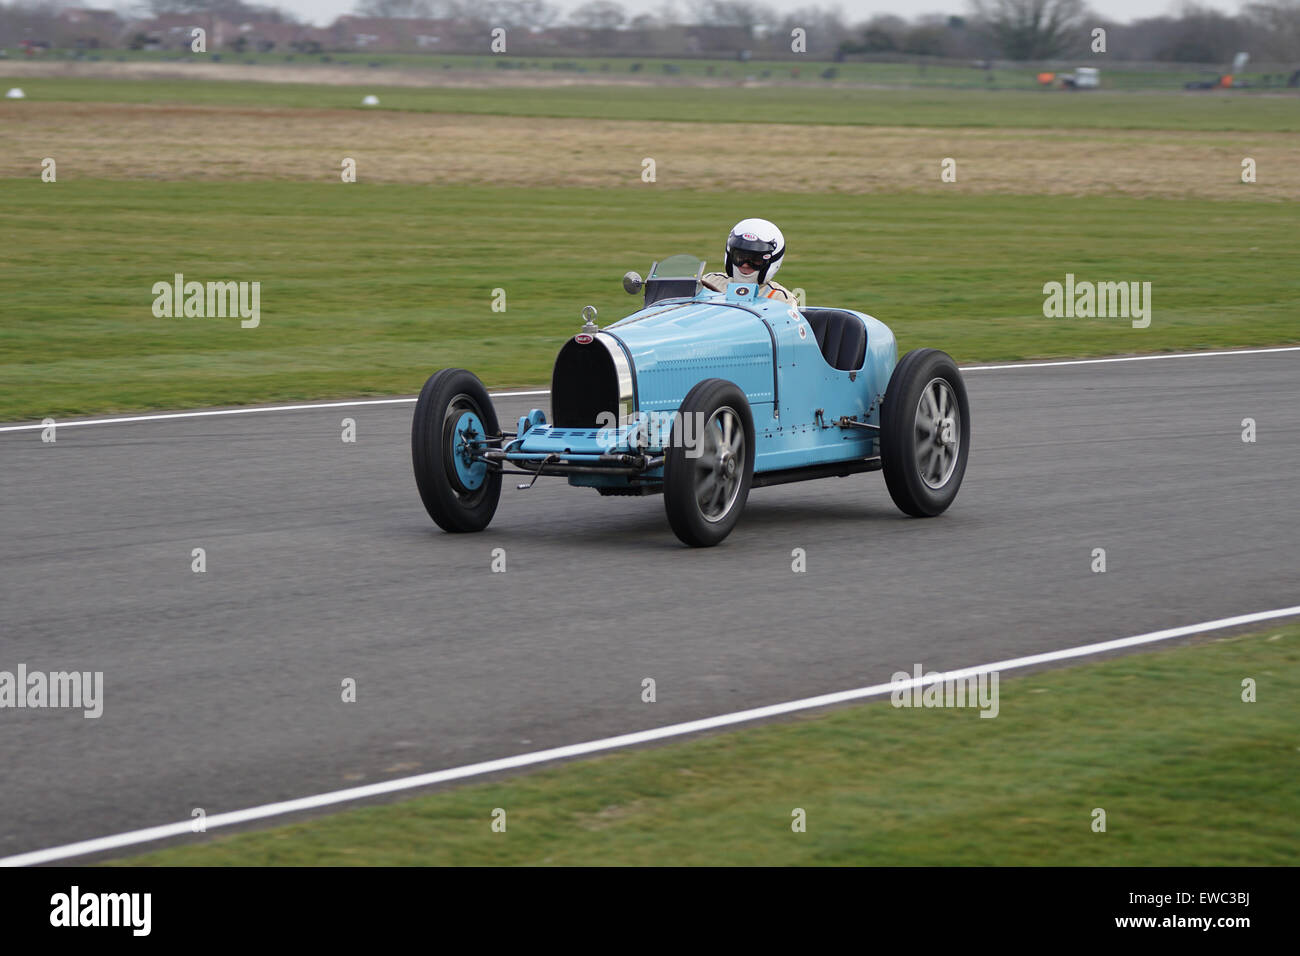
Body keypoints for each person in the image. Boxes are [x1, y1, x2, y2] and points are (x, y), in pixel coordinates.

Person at [701, 218, 796, 305]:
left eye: (755, 260)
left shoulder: (781, 299)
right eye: (740, 257)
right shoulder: (709, 282)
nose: (745, 265)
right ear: (730, 256)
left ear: (771, 262)